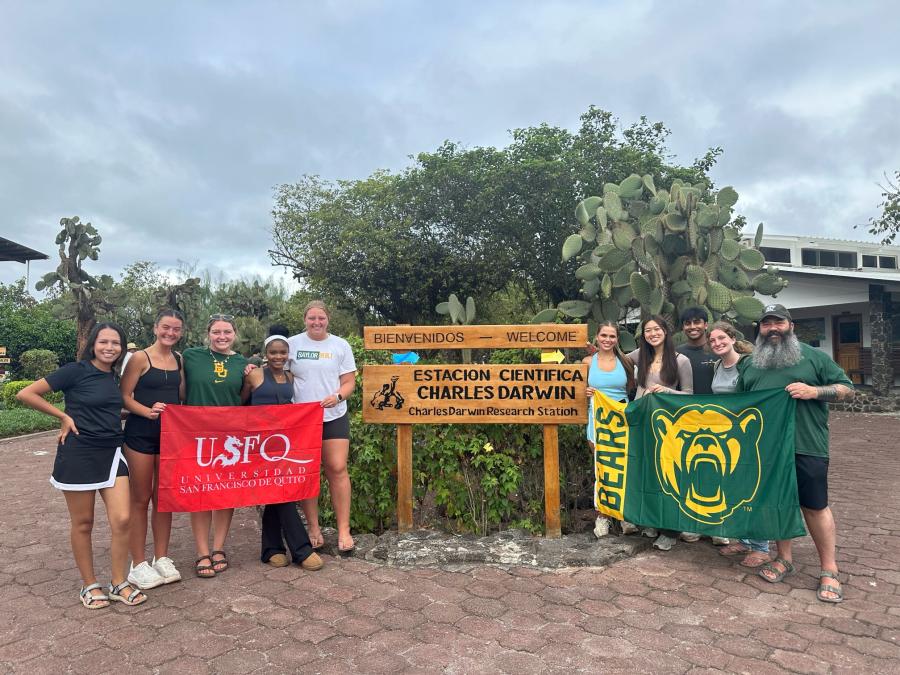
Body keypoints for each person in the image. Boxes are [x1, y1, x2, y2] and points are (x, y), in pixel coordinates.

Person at [16, 323, 147, 608]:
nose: (110, 347)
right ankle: (89, 584)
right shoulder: (75, 370)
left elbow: (108, 408)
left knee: (123, 519)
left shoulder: (114, 377)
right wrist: (63, 417)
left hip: (112, 452)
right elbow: (27, 394)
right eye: (104, 342)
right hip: (79, 453)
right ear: (93, 344)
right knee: (84, 523)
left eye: (116, 343)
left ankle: (118, 581)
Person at [737, 304, 854, 603]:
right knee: (778, 503)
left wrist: (815, 392)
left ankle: (829, 568)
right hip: (766, 449)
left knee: (815, 506)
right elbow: (739, 406)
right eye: (766, 324)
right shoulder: (751, 364)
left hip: (807, 444)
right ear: (759, 329)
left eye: (778, 322)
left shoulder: (813, 358)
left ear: (791, 325)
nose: (772, 328)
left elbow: (847, 388)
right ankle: (783, 557)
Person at [241, 330, 323, 571]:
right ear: (266, 354)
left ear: (288, 354)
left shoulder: (290, 376)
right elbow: (241, 403)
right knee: (280, 493)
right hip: (260, 444)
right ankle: (301, 549)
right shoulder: (254, 375)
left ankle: (272, 549)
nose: (278, 356)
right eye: (273, 352)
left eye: (283, 352)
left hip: (283, 443)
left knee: (276, 493)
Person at [120, 309, 185, 590]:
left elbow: (181, 397)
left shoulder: (178, 359)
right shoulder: (139, 358)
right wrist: (147, 412)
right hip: (140, 436)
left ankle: (162, 557)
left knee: (164, 498)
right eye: (166, 328)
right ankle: (138, 563)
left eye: (176, 329)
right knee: (140, 498)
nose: (170, 333)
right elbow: (123, 396)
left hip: (169, 438)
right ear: (155, 328)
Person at [182, 314, 250, 577]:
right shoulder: (189, 356)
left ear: (235, 334)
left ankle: (219, 547)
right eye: (216, 332)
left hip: (228, 436)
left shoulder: (242, 361)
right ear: (208, 333)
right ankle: (201, 551)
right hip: (194, 435)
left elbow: (243, 396)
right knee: (199, 493)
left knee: (224, 493)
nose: (222, 337)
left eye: (227, 332)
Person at [287, 301, 358, 554]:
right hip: (301, 419)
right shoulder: (292, 344)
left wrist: (338, 396)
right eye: (311, 318)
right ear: (304, 319)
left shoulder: (340, 345)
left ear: (328, 319)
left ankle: (343, 530)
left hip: (334, 414)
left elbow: (349, 381)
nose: (316, 322)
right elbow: (279, 373)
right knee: (308, 472)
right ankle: (314, 528)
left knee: (337, 468)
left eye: (321, 318)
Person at [706, 321, 770, 567]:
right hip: (724, 436)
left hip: (747, 436)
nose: (717, 343)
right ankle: (743, 539)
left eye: (721, 338)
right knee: (733, 488)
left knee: (752, 489)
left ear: (732, 338)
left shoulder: (749, 364)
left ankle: (761, 546)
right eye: (712, 341)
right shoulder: (717, 366)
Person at [627, 314, 693, 551]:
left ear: (665, 331)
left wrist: (666, 391)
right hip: (641, 422)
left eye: (656, 329)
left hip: (667, 426)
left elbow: (689, 394)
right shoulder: (638, 356)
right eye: (647, 331)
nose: (652, 334)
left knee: (668, 474)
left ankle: (670, 531)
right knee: (646, 472)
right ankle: (651, 521)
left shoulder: (681, 360)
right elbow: (613, 361)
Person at [675, 307, 729, 547]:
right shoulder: (677, 353)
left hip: (720, 421)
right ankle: (692, 524)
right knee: (691, 471)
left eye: (697, 322)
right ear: (683, 327)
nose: (692, 326)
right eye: (687, 323)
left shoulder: (717, 349)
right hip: (688, 420)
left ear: (705, 324)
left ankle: (719, 526)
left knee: (722, 471)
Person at [583, 321, 635, 537]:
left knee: (622, 469)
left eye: (612, 336)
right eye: (604, 335)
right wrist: (585, 391)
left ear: (617, 339)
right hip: (597, 420)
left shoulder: (626, 362)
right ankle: (602, 516)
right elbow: (576, 390)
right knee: (601, 468)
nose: (607, 339)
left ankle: (624, 516)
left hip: (620, 422)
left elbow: (631, 389)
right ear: (597, 337)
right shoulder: (587, 361)